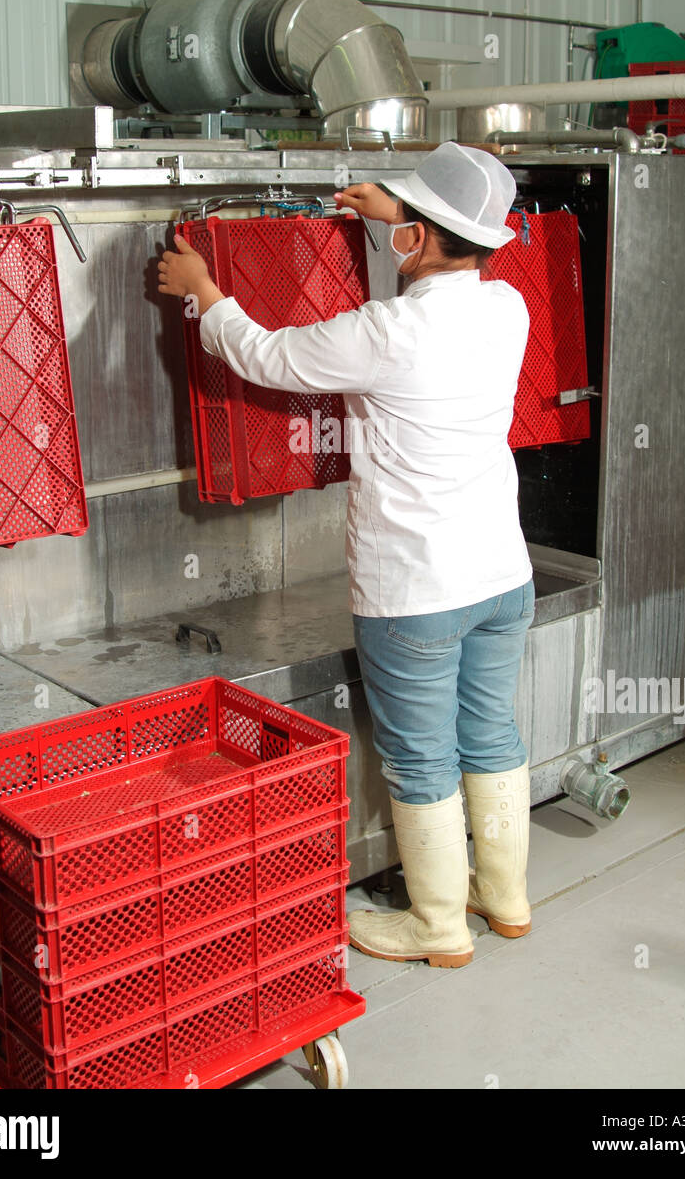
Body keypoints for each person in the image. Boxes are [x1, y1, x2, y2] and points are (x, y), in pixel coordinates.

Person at [158, 142, 535, 970]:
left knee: (421, 754)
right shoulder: (507, 308)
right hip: (502, 575)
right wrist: (393, 218)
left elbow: (268, 356)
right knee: (491, 732)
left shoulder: (386, 331)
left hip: (417, 589)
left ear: (420, 237)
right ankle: (502, 897)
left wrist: (204, 294)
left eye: (405, 220)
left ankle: (436, 927)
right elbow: (434, 273)